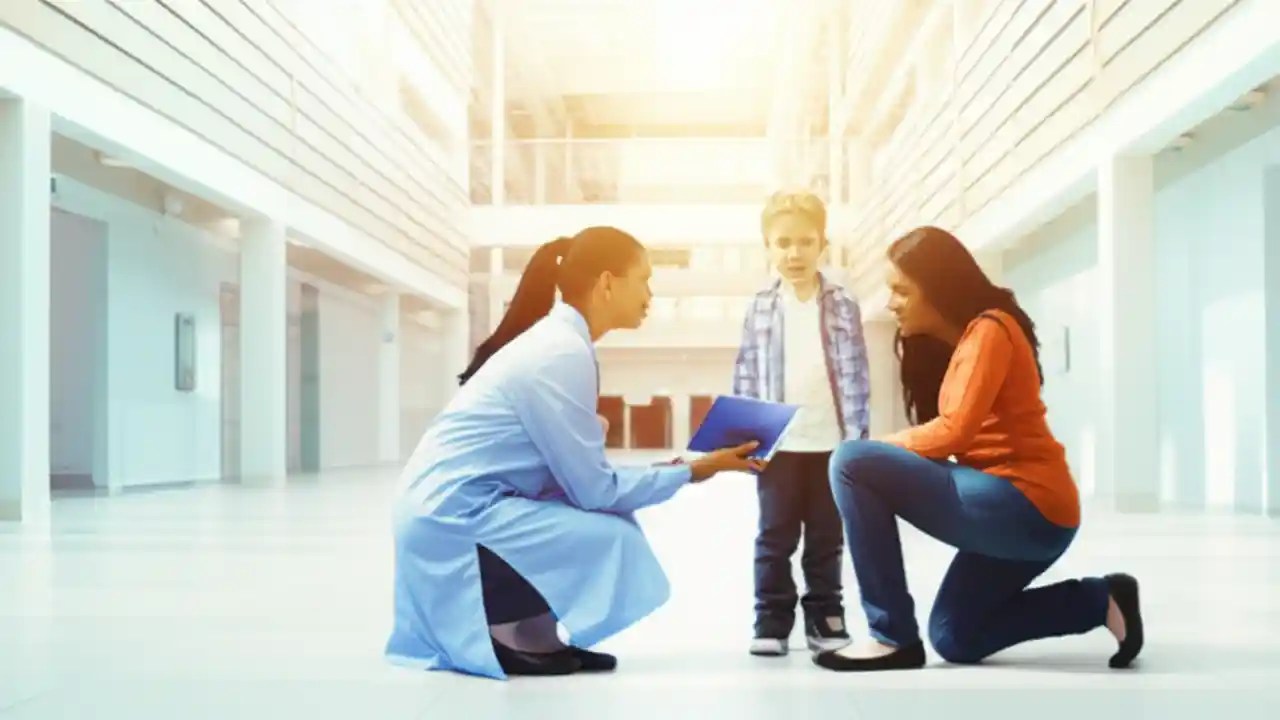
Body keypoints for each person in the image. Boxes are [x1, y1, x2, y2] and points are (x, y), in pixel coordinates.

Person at [385, 226, 764, 680]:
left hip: (451, 507)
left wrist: (685, 466)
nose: (650, 294)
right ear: (607, 282)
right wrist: (693, 470)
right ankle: (508, 635)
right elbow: (595, 489)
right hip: (453, 517)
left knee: (605, 521)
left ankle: (534, 633)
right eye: (644, 280)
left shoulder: (561, 342)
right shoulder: (559, 352)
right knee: (610, 533)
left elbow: (577, 472)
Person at [812, 226, 1143, 672]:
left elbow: (952, 434)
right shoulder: (955, 344)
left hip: (1027, 503)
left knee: (851, 462)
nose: (892, 303)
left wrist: (872, 449)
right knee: (955, 636)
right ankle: (1101, 600)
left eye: (901, 291)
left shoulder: (991, 329)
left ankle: (891, 636)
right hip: (1021, 517)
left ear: (937, 288)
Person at [733, 190, 871, 656]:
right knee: (774, 536)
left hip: (831, 444)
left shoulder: (842, 304)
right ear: (768, 247)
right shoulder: (759, 306)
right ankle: (770, 620)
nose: (794, 253)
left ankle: (826, 617)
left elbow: (856, 376)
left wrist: (857, 443)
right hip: (779, 445)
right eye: (783, 242)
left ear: (822, 245)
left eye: (805, 242)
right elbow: (747, 371)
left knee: (827, 537)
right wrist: (746, 442)